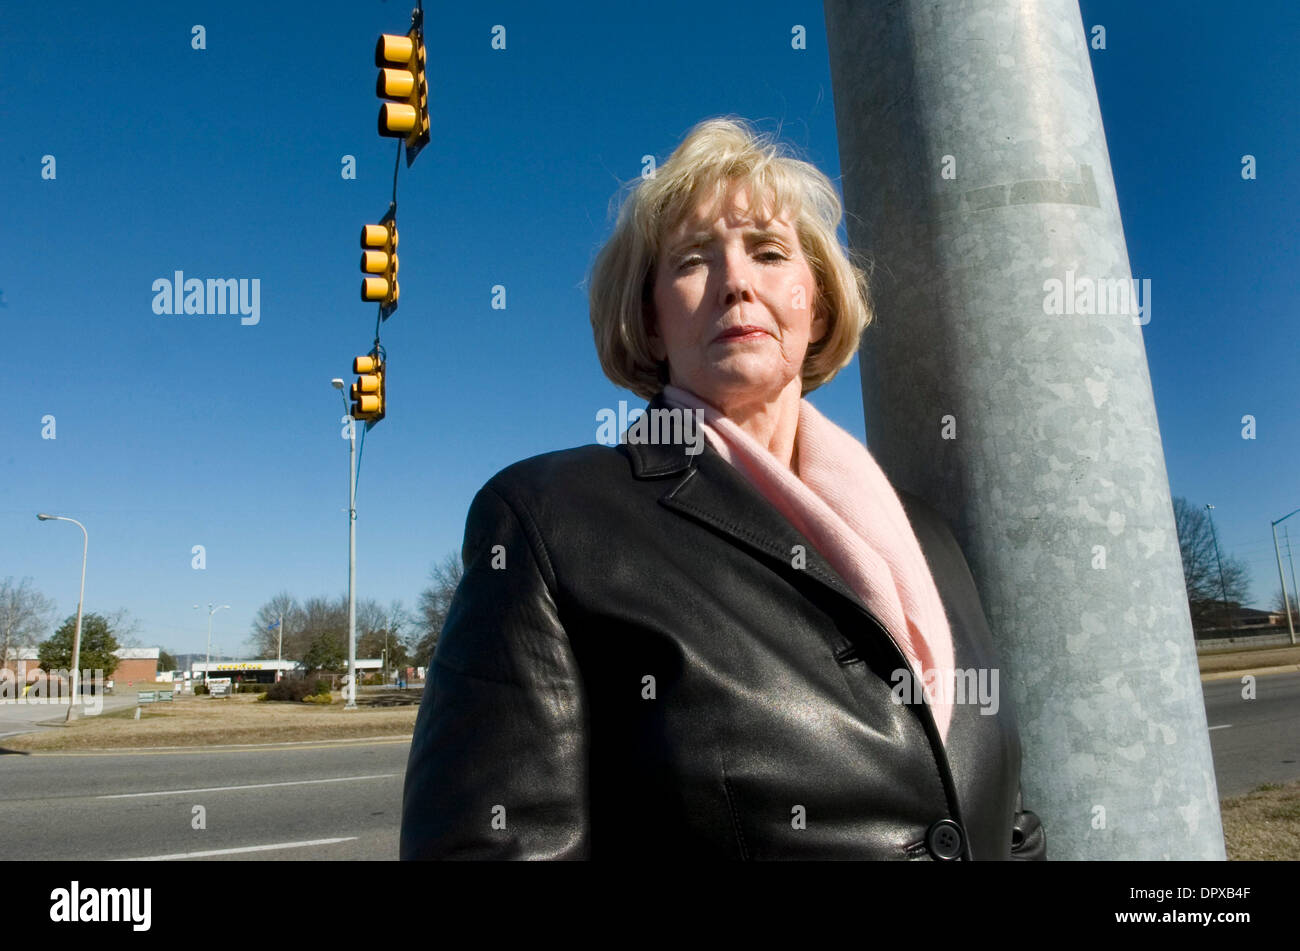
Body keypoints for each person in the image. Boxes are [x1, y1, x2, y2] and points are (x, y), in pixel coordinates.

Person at [401, 116, 1045, 860]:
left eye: (769, 253)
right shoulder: (550, 521)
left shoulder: (928, 537)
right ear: (649, 319)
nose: (737, 281)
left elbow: (1006, 823)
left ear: (819, 303)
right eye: (693, 262)